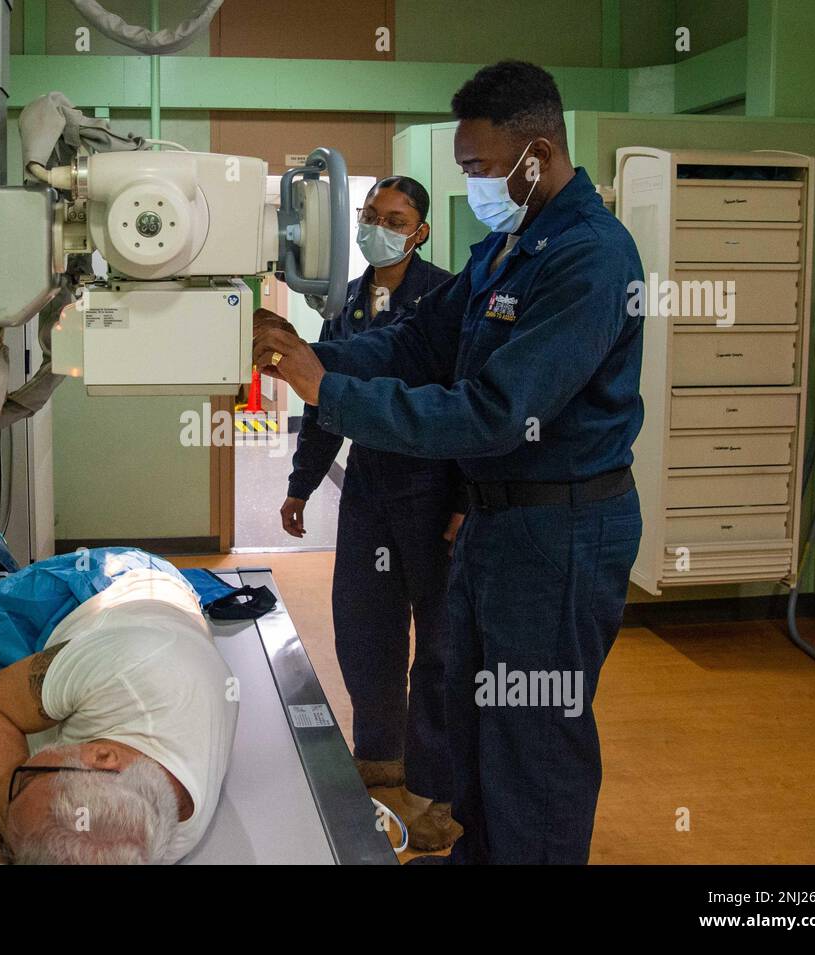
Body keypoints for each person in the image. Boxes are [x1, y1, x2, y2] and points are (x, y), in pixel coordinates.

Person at [252, 60, 645, 864]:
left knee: (532, 744)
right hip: (498, 529)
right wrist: (308, 352)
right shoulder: (508, 249)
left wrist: (328, 390)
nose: (472, 185)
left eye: (479, 168)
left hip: (561, 530)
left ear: (535, 155)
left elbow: (496, 411)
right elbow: (417, 341)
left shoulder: (590, 259)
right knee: (468, 729)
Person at [283, 175, 463, 849]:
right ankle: (379, 756)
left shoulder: (445, 297)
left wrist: (467, 497)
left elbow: (472, 400)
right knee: (364, 627)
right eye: (369, 214)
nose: (377, 225)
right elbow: (324, 394)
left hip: (433, 487)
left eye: (394, 217)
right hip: (369, 484)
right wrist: (302, 483)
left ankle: (435, 788)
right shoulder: (351, 300)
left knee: (439, 650)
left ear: (419, 231)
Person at [0, 548, 238, 864]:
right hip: (122, 585)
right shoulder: (127, 666)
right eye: (26, 778)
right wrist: (12, 832)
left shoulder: (135, 844)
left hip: (100, 654)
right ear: (102, 757)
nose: (14, 783)